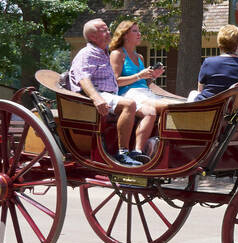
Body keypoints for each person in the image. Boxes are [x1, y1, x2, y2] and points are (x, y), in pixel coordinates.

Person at [69, 18, 144, 168]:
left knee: (144, 108)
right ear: (92, 37)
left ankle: (140, 150)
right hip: (94, 97)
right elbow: (83, 78)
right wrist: (96, 98)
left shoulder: (104, 53)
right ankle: (122, 153)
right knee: (129, 104)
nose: (109, 32)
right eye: (103, 30)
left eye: (108, 29)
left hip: (109, 95)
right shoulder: (86, 53)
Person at [108, 19, 169, 160]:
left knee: (151, 112)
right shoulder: (117, 54)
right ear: (124, 35)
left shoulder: (139, 57)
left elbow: (143, 83)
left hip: (144, 93)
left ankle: (138, 151)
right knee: (168, 106)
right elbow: (115, 82)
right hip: (129, 95)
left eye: (138, 31)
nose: (139, 34)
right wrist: (138, 75)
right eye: (134, 31)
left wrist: (152, 77)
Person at [188, 24, 238, 101]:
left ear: (220, 44)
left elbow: (200, 89)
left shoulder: (208, 63)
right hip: (232, 109)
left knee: (193, 93)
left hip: (208, 107)